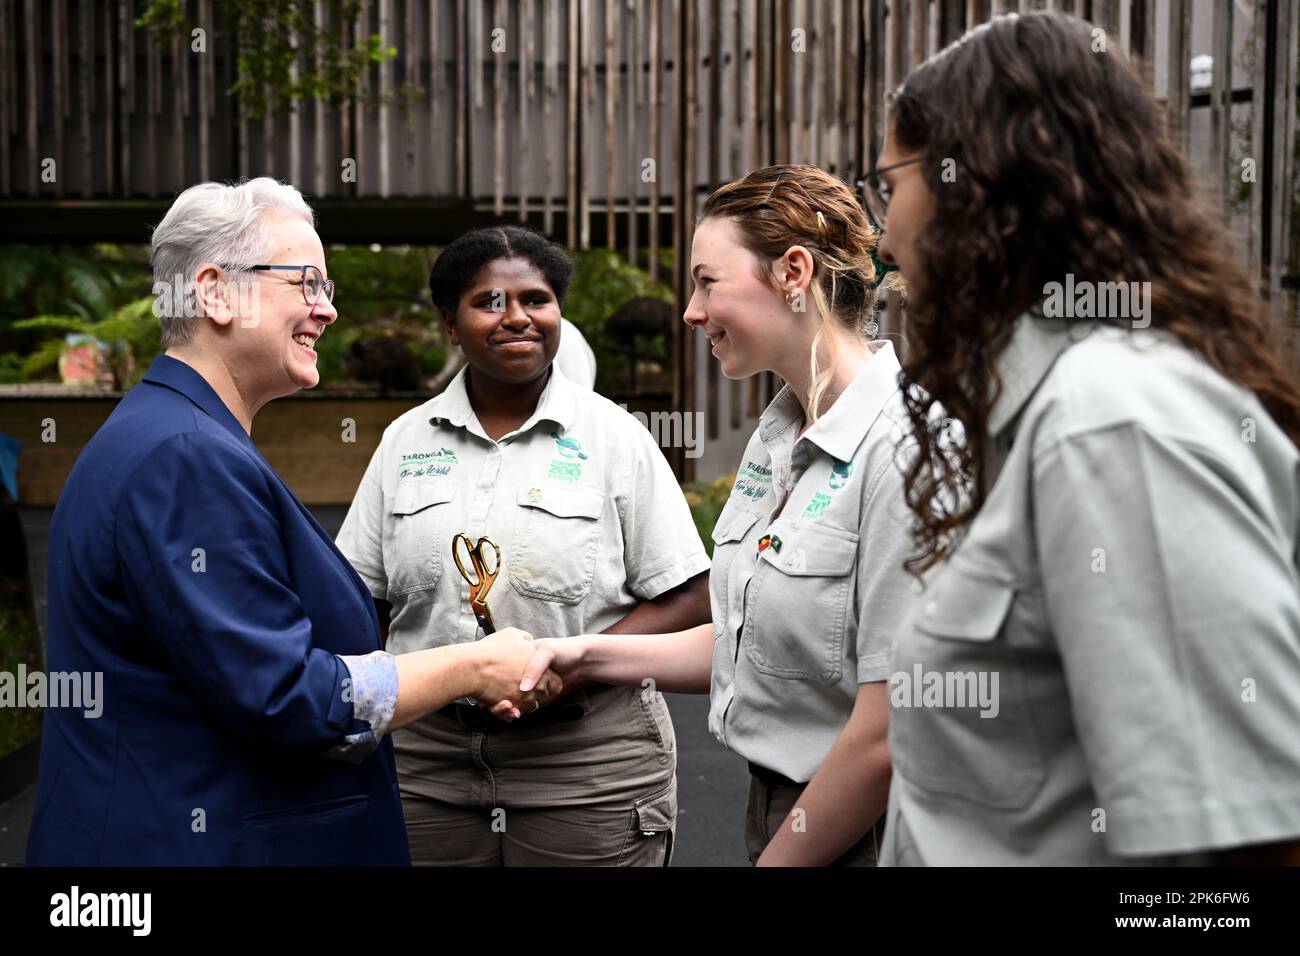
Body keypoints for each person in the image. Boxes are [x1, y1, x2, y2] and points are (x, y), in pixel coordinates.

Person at [866, 11, 1300, 864]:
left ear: (981, 181)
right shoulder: (1048, 414)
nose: (881, 238)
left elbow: (1253, 850)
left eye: (890, 186)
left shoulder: (1107, 426)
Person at [25, 179, 558, 866]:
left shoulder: (173, 433)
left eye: (328, 288)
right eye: (306, 283)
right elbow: (286, 698)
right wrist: (473, 664)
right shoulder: (186, 456)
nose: (326, 310)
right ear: (215, 293)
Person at [514, 165, 916, 866]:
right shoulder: (778, 433)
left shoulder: (902, 448)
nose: (691, 311)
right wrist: (582, 655)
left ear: (794, 272)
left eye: (707, 281)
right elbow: (750, 641)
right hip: (781, 808)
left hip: (864, 829)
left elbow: (886, 732)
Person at [336, 225, 711, 866]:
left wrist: (569, 671)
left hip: (586, 767)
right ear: (451, 327)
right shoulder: (404, 442)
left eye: (536, 299)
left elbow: (688, 595)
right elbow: (360, 598)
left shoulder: (615, 438)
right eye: (488, 302)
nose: (517, 318)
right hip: (427, 767)